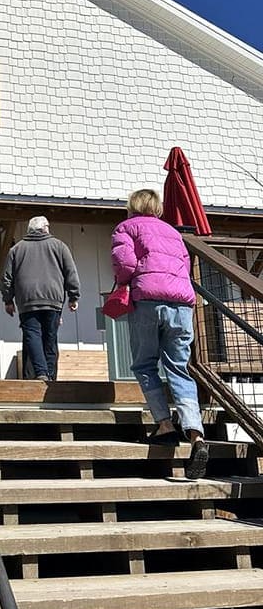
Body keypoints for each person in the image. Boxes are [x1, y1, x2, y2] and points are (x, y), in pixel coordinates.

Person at [111, 189, 208, 479]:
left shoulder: (126, 227)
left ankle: (165, 425)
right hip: (181, 303)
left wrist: (122, 282)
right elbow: (185, 266)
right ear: (156, 207)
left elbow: (125, 264)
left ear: (132, 207)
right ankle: (196, 435)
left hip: (148, 300)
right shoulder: (172, 232)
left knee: (144, 364)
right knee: (179, 368)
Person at [1, 216, 80, 381]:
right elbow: (70, 272)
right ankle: (50, 377)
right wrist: (73, 296)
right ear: (45, 228)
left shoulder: (16, 249)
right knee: (50, 338)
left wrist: (8, 300)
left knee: (32, 336)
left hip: (27, 301)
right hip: (53, 300)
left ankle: (42, 373)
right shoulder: (59, 246)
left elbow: (7, 278)